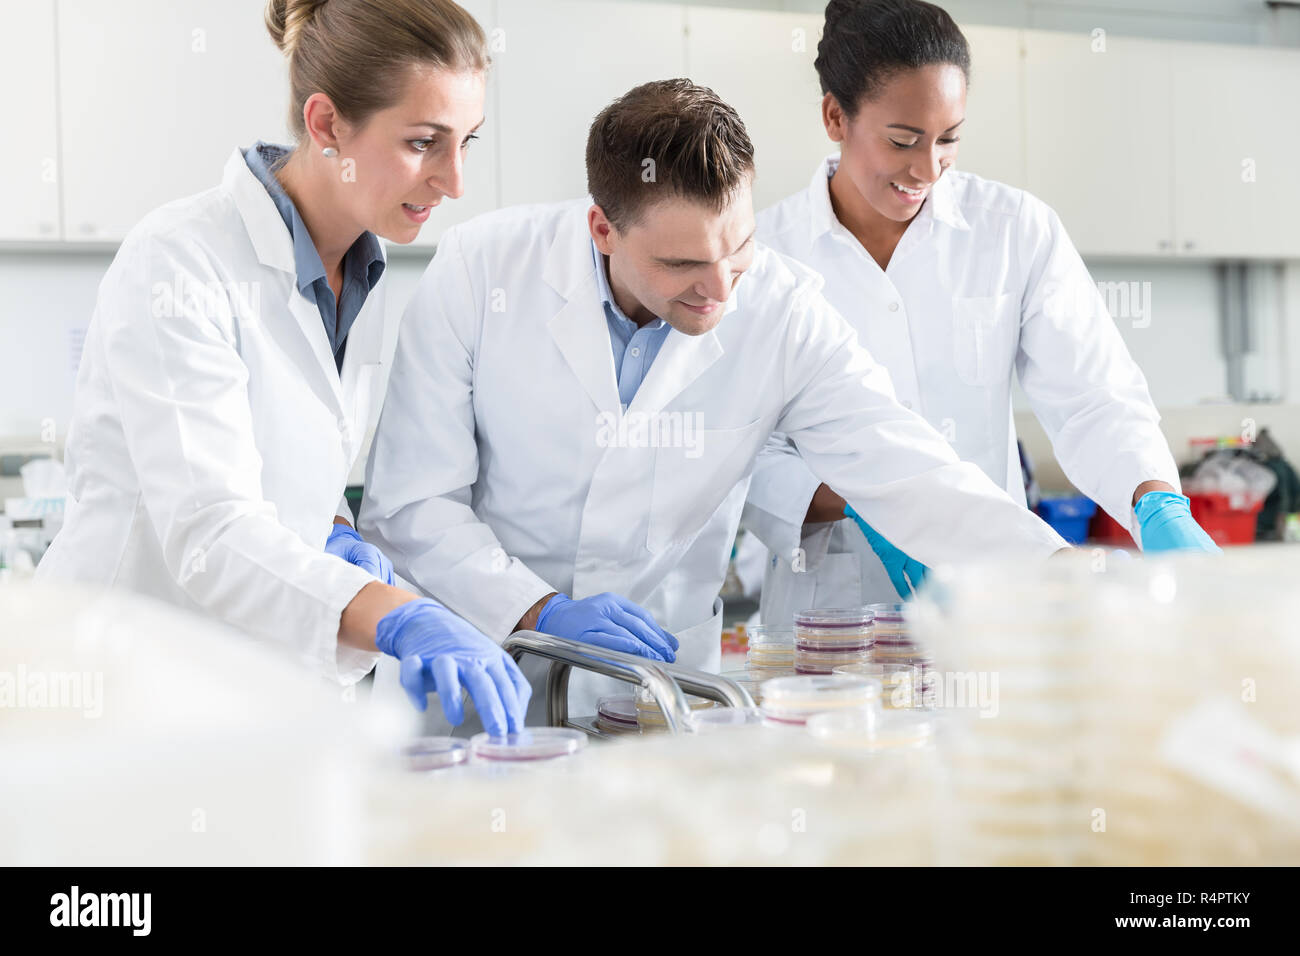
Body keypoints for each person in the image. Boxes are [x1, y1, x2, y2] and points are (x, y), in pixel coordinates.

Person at [360, 78, 1069, 728]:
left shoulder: (784, 311)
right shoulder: (482, 271)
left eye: (739, 248)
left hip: (659, 690)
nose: (721, 291)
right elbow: (413, 505)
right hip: (478, 671)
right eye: (681, 265)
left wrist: (1067, 580)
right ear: (603, 228)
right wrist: (537, 608)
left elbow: (910, 468)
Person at [36, 0, 529, 735]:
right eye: (425, 142)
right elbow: (210, 528)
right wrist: (397, 614)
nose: (453, 181)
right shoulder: (180, 258)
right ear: (328, 125)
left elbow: (289, 452)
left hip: (245, 692)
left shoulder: (364, 266)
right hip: (118, 692)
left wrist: (331, 523)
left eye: (467, 143)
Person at [744, 0, 1219, 626]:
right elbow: (744, 450)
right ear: (836, 115)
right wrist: (872, 506)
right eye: (902, 140)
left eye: (949, 139)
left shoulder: (1014, 231)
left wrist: (1156, 505)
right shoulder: (764, 256)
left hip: (990, 599)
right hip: (829, 610)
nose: (927, 168)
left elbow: (1093, 399)